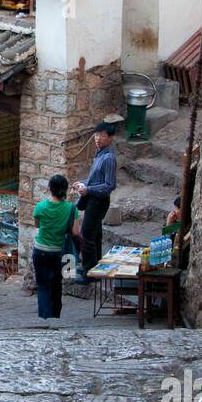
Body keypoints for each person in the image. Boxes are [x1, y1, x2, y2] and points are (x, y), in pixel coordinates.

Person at [72, 121, 118, 282]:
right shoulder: (99, 154)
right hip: (93, 199)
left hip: (98, 202)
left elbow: (109, 185)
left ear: (110, 138)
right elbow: (95, 180)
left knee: (87, 235)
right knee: (95, 234)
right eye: (96, 135)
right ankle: (96, 267)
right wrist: (82, 183)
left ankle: (89, 271)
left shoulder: (109, 158)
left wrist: (88, 190)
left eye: (103, 135)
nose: (98, 139)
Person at [32, 174, 81, 321]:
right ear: (65, 189)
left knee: (42, 285)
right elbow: (75, 232)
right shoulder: (72, 209)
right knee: (56, 284)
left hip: (40, 250)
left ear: (49, 189)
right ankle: (55, 315)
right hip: (59, 252)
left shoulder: (40, 207)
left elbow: (37, 225)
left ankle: (44, 317)